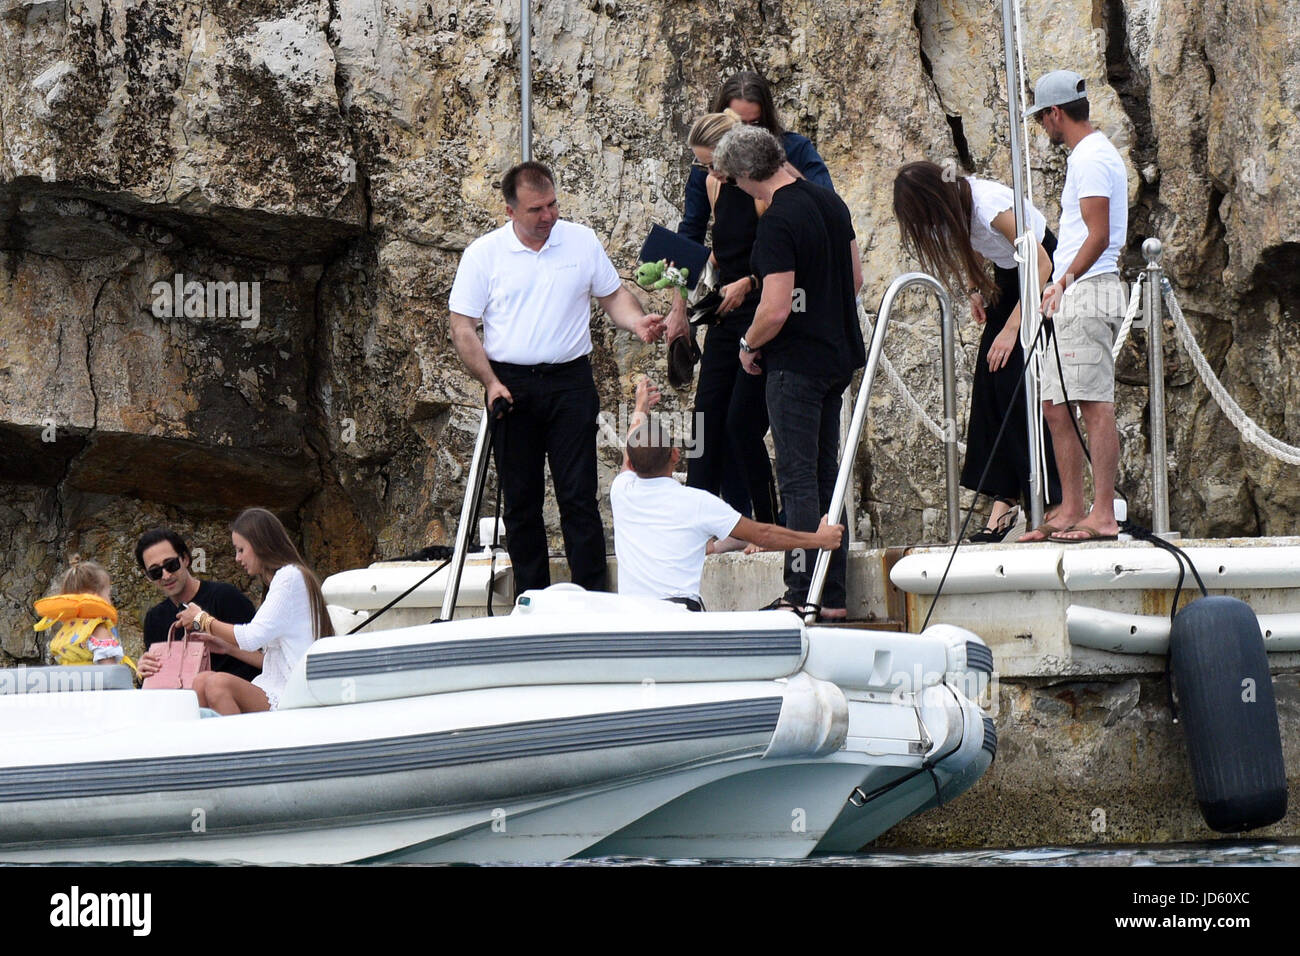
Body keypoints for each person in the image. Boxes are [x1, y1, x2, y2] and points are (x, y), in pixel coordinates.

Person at [449, 161, 665, 593]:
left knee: (578, 495)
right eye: (536, 210)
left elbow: (613, 294)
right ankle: (532, 598)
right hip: (511, 384)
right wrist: (491, 382)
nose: (548, 216)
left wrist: (637, 322)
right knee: (522, 500)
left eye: (552, 205)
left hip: (570, 380)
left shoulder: (580, 240)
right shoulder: (483, 255)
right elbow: (462, 327)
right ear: (509, 211)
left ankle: (592, 595)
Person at [712, 125, 865, 619]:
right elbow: (856, 278)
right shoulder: (828, 202)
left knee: (798, 479)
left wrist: (746, 343)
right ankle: (833, 595)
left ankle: (802, 593)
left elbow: (774, 309)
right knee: (826, 479)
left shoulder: (777, 220)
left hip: (795, 362)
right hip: (836, 355)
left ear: (743, 175)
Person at [893, 161, 1063, 541]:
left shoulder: (989, 206)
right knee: (990, 383)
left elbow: (1042, 262)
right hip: (1009, 275)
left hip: (1043, 271)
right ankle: (1004, 499)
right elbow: (965, 243)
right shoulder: (953, 209)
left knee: (1017, 385)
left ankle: (1052, 503)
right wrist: (975, 288)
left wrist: (1012, 328)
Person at [612, 378, 844, 608]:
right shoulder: (697, 502)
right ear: (675, 455)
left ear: (631, 466)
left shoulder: (621, 491)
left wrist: (640, 407)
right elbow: (762, 534)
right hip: (679, 618)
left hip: (632, 617)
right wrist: (819, 539)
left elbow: (630, 452)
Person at [1020, 70, 1129, 543]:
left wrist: (1062, 280)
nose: (1043, 128)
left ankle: (1102, 513)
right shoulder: (1089, 155)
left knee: (1092, 401)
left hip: (1088, 287)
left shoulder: (1090, 158)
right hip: (1077, 289)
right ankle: (1070, 507)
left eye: (1042, 118)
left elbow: (1099, 234)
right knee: (1055, 403)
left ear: (1056, 113)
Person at [666, 109, 783, 527]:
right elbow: (715, 245)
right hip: (721, 312)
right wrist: (680, 290)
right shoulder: (714, 185)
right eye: (700, 163)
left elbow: (774, 254)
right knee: (704, 419)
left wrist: (748, 282)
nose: (706, 170)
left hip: (756, 308)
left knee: (741, 425)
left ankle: (763, 522)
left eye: (709, 160)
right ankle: (699, 522)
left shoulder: (758, 192)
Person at [175, 508, 333, 714]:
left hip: (298, 692)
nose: (237, 558)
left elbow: (251, 637)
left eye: (241, 550)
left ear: (260, 545)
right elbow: (271, 661)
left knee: (218, 684)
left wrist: (201, 619)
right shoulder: (284, 579)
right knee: (201, 681)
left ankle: (241, 745)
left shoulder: (289, 577)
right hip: (280, 686)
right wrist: (228, 648)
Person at [677, 71, 834, 245]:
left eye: (756, 124)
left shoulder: (796, 149)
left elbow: (827, 209)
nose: (747, 133)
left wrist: (776, 163)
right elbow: (692, 228)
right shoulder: (709, 166)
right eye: (739, 125)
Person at [135, 528, 260, 682]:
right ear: (147, 576)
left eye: (171, 564)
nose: (166, 575)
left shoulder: (225, 597)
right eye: (155, 572)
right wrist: (145, 673)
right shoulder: (154, 619)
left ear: (185, 559)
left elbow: (266, 658)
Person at [33, 557, 135, 674]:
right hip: (96, 689)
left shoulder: (68, 629)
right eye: (108, 594)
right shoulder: (98, 629)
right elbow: (110, 672)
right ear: (95, 596)